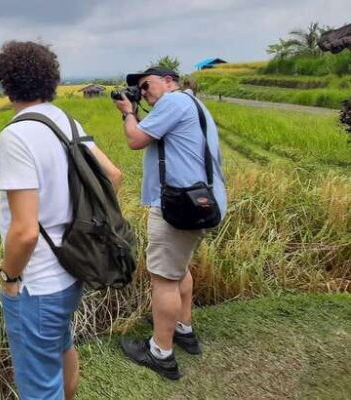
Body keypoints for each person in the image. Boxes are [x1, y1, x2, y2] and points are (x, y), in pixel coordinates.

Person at [0, 41, 122, 399]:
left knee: (38, 385)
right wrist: (78, 225)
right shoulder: (64, 120)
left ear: (6, 83)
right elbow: (113, 176)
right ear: (51, 79)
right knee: (62, 345)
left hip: (37, 283)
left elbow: (25, 232)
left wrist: (8, 278)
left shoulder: (16, 135)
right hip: (72, 269)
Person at [113, 67, 228, 380]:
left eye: (146, 85)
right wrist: (136, 110)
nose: (143, 92)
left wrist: (127, 112)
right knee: (179, 269)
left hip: (179, 206)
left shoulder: (173, 102)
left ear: (168, 81)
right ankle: (182, 328)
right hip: (201, 202)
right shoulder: (191, 102)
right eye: (138, 89)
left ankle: (160, 353)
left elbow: (136, 139)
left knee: (163, 277)